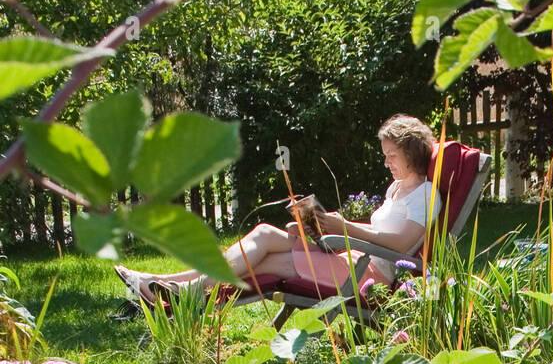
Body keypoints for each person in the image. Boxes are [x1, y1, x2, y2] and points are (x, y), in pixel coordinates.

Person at [114, 115, 442, 306]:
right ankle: (163, 282)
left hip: (369, 277)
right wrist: (323, 224)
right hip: (354, 258)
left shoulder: (426, 194)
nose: (386, 162)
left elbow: (400, 245)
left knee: (266, 261)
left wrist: (343, 227)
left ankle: (179, 292)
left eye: (392, 155)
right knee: (264, 234)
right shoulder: (397, 188)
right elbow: (379, 234)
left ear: (412, 152)